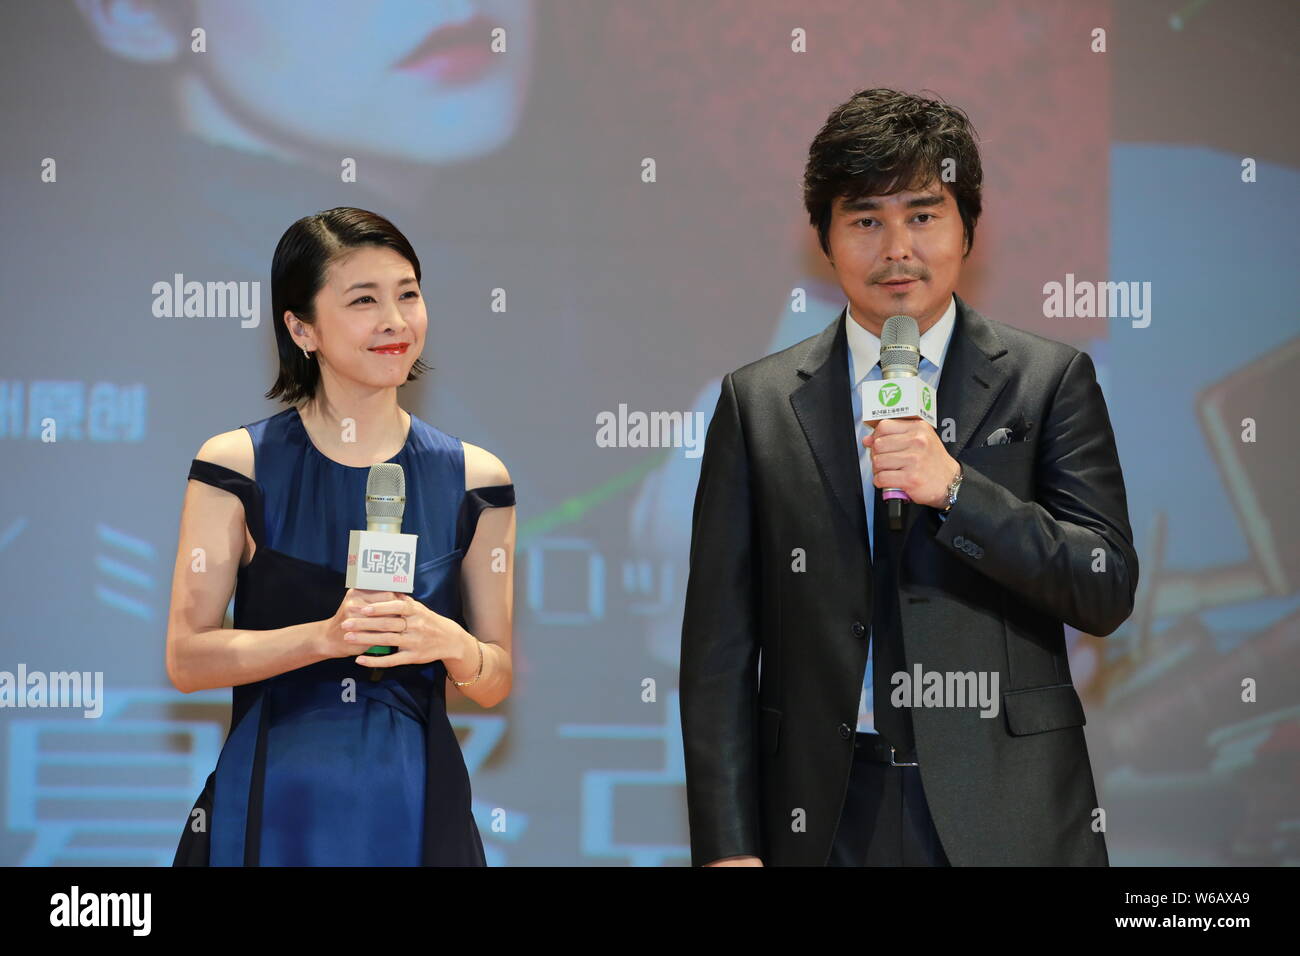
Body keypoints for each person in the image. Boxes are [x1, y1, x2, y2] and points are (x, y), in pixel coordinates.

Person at [679, 89, 1139, 866]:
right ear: (824, 238)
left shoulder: (1048, 381)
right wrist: (728, 846)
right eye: (866, 220)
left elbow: (1105, 587)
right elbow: (719, 651)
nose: (897, 249)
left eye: (923, 216)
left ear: (968, 229)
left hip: (1010, 806)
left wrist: (960, 492)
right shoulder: (756, 404)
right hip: (824, 811)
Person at [166, 207, 516, 865]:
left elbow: (494, 679)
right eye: (364, 300)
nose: (396, 320)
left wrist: (453, 644)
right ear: (301, 328)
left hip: (415, 804)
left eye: (408, 294)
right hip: (275, 800)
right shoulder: (236, 465)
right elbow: (187, 660)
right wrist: (323, 638)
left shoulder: (475, 478)